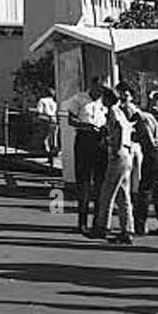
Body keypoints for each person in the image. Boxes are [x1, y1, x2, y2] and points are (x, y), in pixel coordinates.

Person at [88, 87, 134, 245]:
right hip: (127, 153)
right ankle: (127, 229)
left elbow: (119, 129)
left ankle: (102, 227)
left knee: (107, 193)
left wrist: (114, 147)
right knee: (122, 194)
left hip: (118, 154)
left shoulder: (113, 112)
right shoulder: (120, 111)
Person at [124, 88, 158, 236]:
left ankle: (140, 223)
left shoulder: (140, 119)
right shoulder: (148, 116)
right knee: (157, 189)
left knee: (145, 189)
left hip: (152, 153)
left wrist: (136, 138)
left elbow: (148, 138)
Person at [65, 75, 108, 234]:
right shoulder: (79, 99)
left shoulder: (105, 102)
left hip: (100, 140)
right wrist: (87, 126)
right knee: (84, 182)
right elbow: (71, 120)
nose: (100, 92)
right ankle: (82, 222)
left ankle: (98, 221)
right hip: (85, 138)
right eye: (99, 88)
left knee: (100, 182)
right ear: (92, 86)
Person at [35, 88, 59, 165]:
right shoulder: (55, 102)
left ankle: (49, 155)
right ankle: (52, 156)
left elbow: (39, 111)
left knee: (44, 139)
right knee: (53, 139)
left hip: (45, 120)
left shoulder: (42, 101)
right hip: (54, 120)